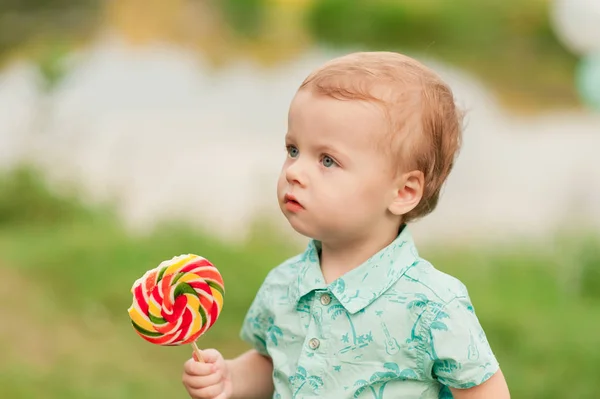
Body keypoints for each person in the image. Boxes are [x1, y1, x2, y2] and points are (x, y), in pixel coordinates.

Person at [181, 51, 510, 399]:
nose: (294, 171)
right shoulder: (284, 284)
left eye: (327, 160)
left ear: (403, 191)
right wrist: (230, 378)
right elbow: (271, 363)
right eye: (293, 150)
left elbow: (482, 390)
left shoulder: (432, 305)